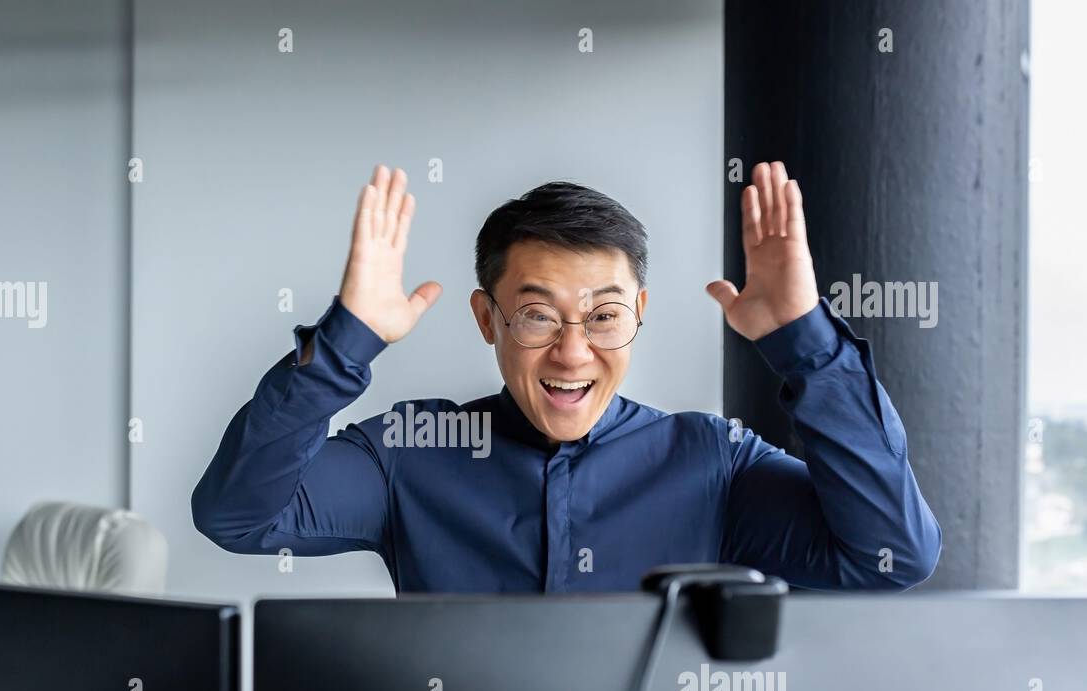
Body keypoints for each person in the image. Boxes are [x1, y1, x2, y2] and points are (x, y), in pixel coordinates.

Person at [191, 163, 941, 592]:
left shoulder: (713, 461)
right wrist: (345, 341)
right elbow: (239, 515)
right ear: (488, 319)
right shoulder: (410, 454)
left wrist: (805, 345)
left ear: (639, 313)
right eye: (538, 317)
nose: (573, 352)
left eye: (605, 316)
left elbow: (894, 553)